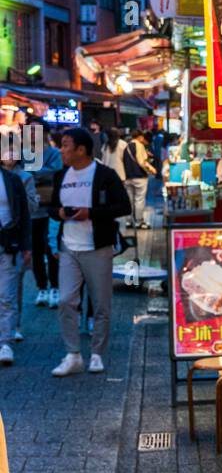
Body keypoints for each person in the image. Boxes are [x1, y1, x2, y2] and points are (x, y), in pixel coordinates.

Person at [49, 126, 130, 376]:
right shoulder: (61, 175)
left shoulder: (104, 174)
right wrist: (59, 213)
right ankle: (72, 354)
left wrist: (90, 213)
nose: (61, 150)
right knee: (66, 300)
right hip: (68, 247)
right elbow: (53, 207)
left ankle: (96, 353)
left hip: (97, 247)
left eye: (65, 145)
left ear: (81, 150)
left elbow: (123, 206)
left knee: (101, 302)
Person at [1, 150, 38, 342]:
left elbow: (29, 209)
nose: (9, 156)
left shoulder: (23, 177)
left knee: (13, 287)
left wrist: (26, 244)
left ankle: (13, 327)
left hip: (12, 239)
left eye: (12, 152)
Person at [31, 122, 62, 306]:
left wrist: (34, 172)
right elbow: (20, 174)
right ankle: (41, 287)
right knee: (35, 251)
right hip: (32, 210)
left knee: (52, 249)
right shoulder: (25, 154)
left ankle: (55, 287)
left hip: (50, 208)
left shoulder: (54, 153)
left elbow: (55, 172)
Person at [123, 129, 157, 229]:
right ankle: (139, 221)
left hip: (127, 176)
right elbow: (142, 162)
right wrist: (152, 169)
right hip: (139, 176)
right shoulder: (139, 145)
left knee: (129, 200)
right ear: (140, 137)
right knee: (139, 199)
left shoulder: (126, 145)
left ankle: (129, 221)